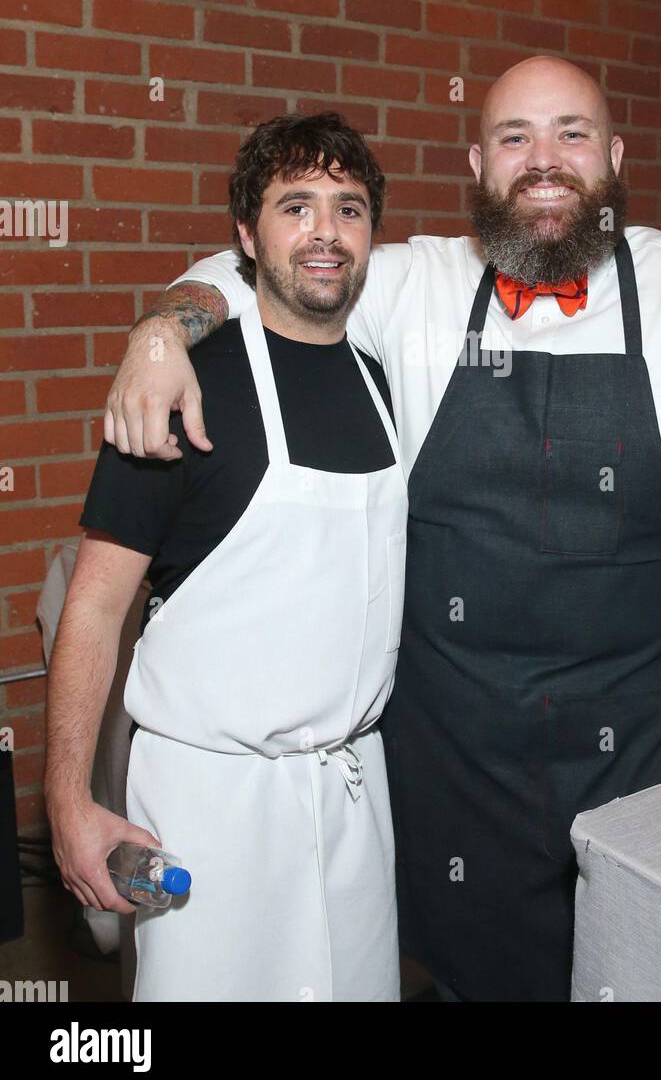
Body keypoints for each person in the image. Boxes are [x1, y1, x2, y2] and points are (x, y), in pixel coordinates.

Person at [103, 57, 661, 1002]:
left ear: (615, 156)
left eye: (571, 134)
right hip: (455, 772)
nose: (545, 162)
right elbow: (262, 263)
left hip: (646, 765)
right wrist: (162, 331)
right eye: (515, 138)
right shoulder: (412, 285)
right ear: (479, 163)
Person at [46, 113, 408, 1002]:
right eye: (297, 207)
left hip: (355, 799)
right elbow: (92, 608)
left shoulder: (383, 377)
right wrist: (66, 803)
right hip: (211, 810)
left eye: (349, 209)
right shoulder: (178, 388)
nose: (326, 232)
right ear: (247, 236)